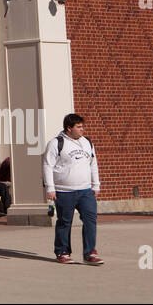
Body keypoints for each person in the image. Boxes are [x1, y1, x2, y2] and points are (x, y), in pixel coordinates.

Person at [42, 113, 103, 265]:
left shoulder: (87, 142)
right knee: (64, 221)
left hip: (85, 190)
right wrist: (50, 188)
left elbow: (93, 164)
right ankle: (62, 251)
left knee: (90, 220)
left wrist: (96, 185)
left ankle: (90, 253)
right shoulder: (56, 143)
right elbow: (47, 165)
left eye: (83, 126)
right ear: (69, 128)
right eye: (79, 127)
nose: (82, 129)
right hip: (63, 190)